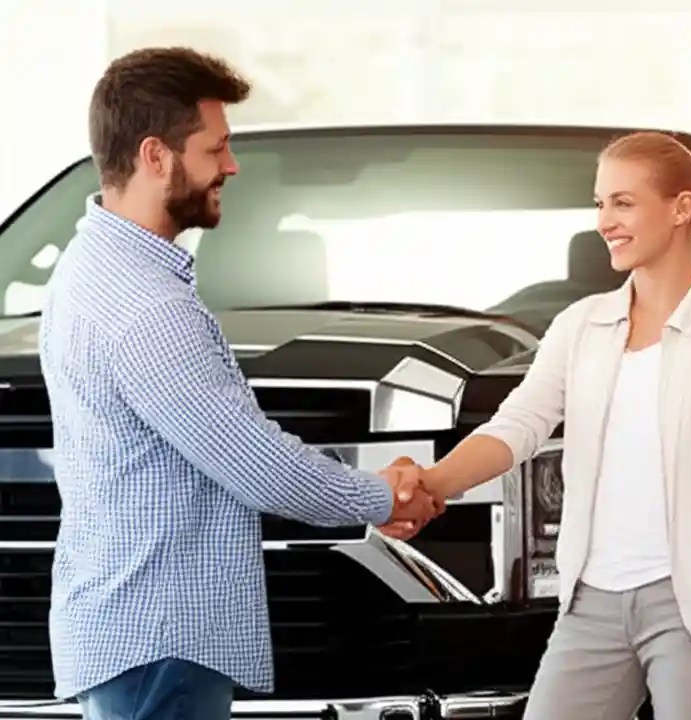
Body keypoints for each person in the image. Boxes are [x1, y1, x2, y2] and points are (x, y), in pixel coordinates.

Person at [40, 47, 442, 720]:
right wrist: (380, 496)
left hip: (133, 637)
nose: (230, 165)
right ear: (156, 156)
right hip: (162, 643)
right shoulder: (146, 305)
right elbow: (255, 463)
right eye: (215, 147)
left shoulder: (89, 266)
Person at [409, 130, 691, 720]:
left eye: (623, 202)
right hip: (590, 605)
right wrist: (430, 484)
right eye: (599, 203)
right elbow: (518, 424)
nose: (604, 222)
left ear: (681, 208)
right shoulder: (580, 325)